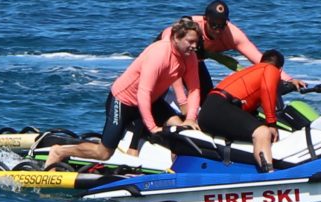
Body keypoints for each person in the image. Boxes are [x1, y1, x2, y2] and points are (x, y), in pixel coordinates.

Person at [44, 16, 204, 168]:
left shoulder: (189, 57)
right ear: (176, 38)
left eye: (196, 42)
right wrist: (152, 127)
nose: (194, 46)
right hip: (123, 101)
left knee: (181, 131)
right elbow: (143, 92)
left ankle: (176, 173)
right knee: (104, 152)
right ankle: (60, 151)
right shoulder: (159, 54)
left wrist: (190, 118)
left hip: (152, 101)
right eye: (190, 41)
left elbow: (195, 89)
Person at [198, 50, 304, 171]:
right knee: (262, 132)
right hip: (221, 107)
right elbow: (267, 90)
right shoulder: (271, 69)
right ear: (280, 70)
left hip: (210, 109)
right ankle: (269, 173)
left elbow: (272, 86)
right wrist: (271, 123)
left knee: (256, 127)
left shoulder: (252, 70)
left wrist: (290, 84)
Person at [184, 0, 264, 76]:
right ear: (205, 19)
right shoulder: (193, 25)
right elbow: (173, 39)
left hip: (197, 63)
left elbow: (262, 61)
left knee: (207, 90)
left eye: (222, 26)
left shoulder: (233, 36)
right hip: (181, 59)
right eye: (214, 25)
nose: (218, 30)